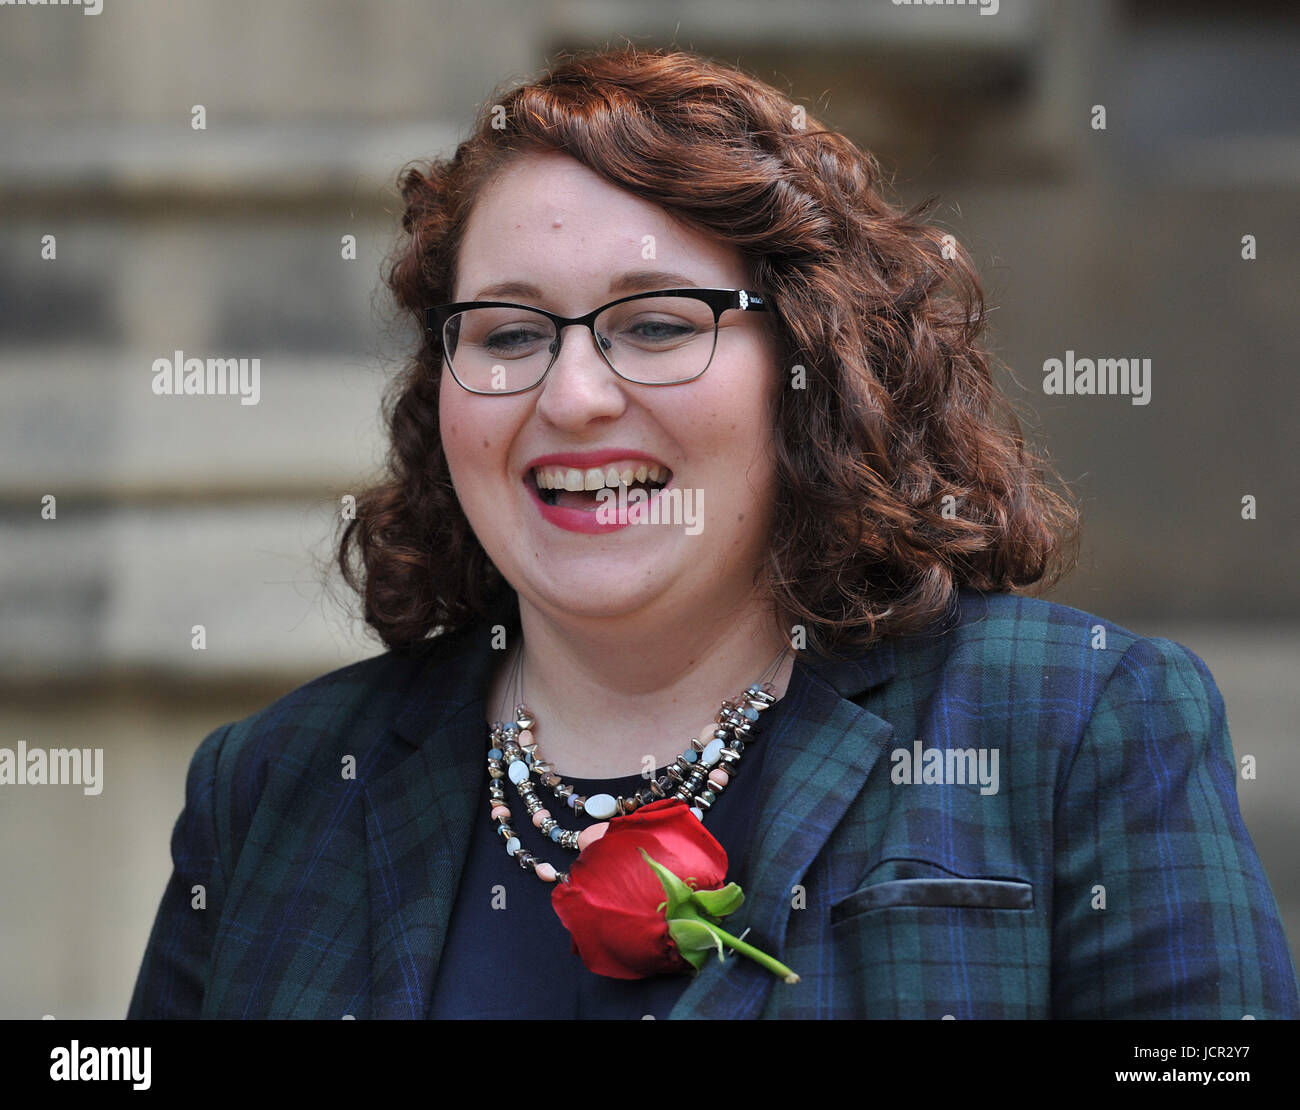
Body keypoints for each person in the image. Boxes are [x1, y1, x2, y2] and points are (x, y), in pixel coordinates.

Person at [127, 45, 1299, 1020]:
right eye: (507, 334)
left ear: (809, 364)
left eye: (652, 324)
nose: (572, 396)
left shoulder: (1072, 724)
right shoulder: (272, 788)